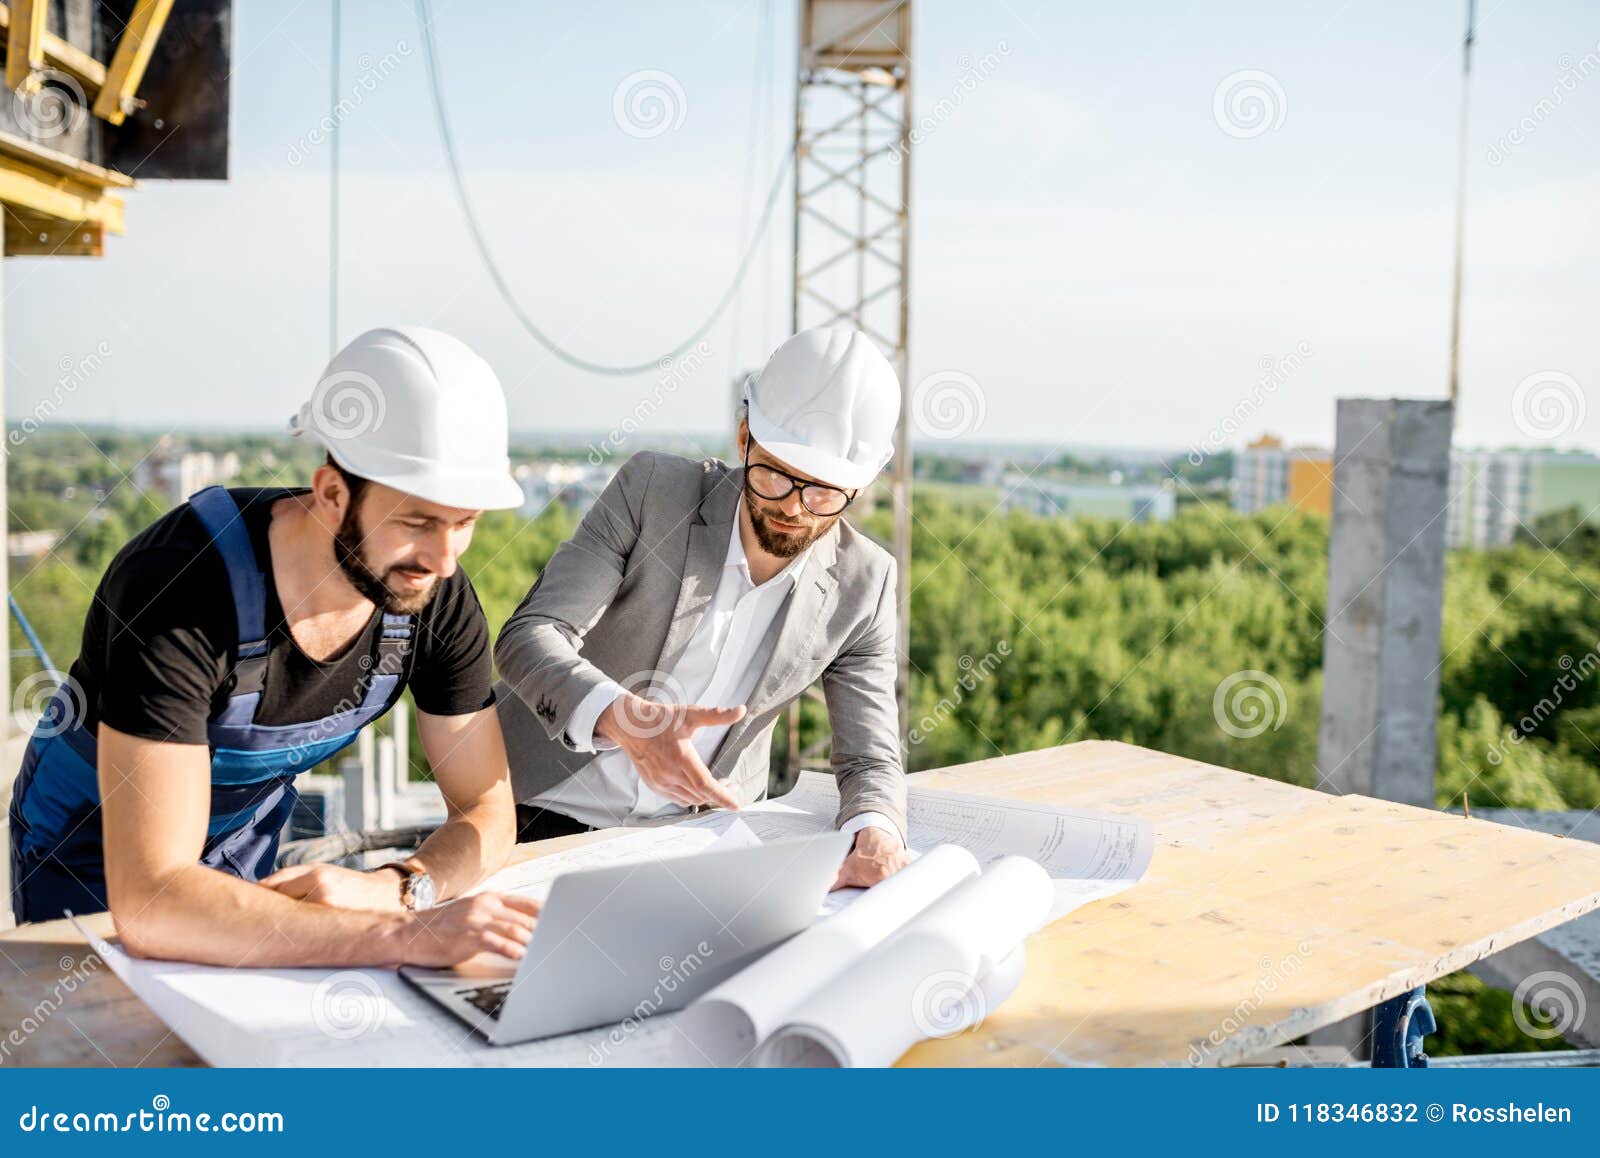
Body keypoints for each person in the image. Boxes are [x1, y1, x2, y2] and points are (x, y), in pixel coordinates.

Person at [7, 327, 541, 967]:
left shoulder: (429, 597)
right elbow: (152, 901)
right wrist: (407, 936)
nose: (444, 561)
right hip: (92, 854)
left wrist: (398, 889)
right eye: (417, 522)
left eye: (465, 525)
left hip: (241, 841)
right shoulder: (177, 589)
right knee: (110, 1044)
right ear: (333, 494)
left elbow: (487, 810)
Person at [495, 326, 910, 888]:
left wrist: (876, 829)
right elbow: (530, 635)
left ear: (863, 484)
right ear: (744, 438)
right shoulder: (654, 493)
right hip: (538, 819)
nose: (795, 508)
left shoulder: (866, 583)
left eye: (823, 491)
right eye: (774, 474)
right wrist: (624, 720)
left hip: (697, 846)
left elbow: (870, 758)